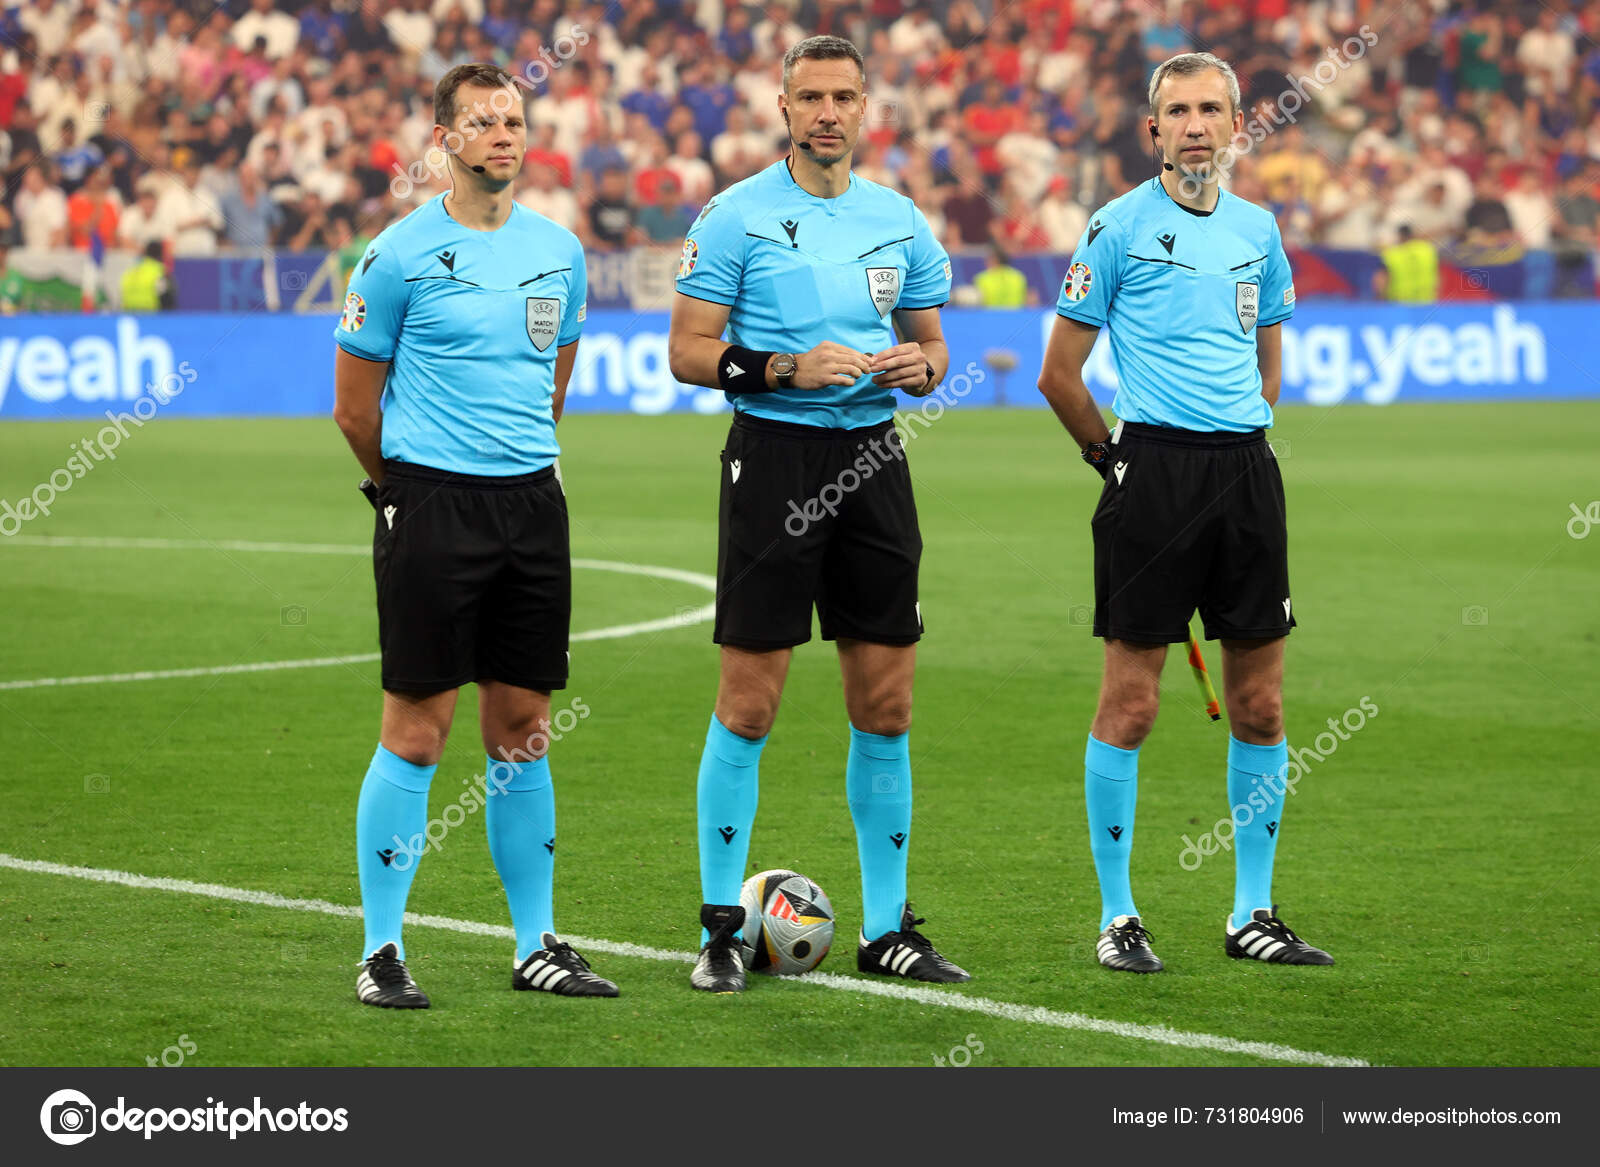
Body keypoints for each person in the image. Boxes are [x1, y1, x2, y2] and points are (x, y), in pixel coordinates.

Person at [668, 35, 968, 994]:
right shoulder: (736, 215)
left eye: (844, 96)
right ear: (784, 107)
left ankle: (887, 928)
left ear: (867, 106)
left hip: (877, 457)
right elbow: (685, 349)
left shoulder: (898, 218)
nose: (828, 112)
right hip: (774, 461)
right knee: (750, 702)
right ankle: (722, 926)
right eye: (811, 98)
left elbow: (931, 344)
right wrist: (784, 369)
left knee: (886, 704)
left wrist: (925, 368)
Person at [1036, 52, 1333, 973]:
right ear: (1152, 128)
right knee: (1130, 705)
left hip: (1246, 474)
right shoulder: (1117, 227)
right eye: (1179, 111)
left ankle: (1254, 910)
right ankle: (1117, 915)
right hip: (1153, 473)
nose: (1197, 124)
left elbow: (1268, 365)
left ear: (1237, 122)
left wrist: (1242, 429)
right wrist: (1113, 462)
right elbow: (1059, 374)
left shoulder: (1258, 228)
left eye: (1212, 108)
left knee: (1263, 701)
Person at [332, 63, 618, 1009]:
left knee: (524, 732)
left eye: (515, 119)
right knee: (418, 730)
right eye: (484, 121)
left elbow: (554, 384)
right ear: (445, 139)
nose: (504, 132)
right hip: (431, 505)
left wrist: (517, 466)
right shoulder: (397, 254)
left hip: (531, 505)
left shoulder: (559, 250)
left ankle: (536, 941)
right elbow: (352, 407)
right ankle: (380, 949)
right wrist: (402, 492)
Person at [1374, 224, 1439, 302]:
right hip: (1426, 301)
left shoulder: (1391, 253)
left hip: (1399, 301)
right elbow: (1437, 273)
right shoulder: (1427, 250)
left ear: (1400, 236)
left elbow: (1382, 279)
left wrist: (1380, 297)